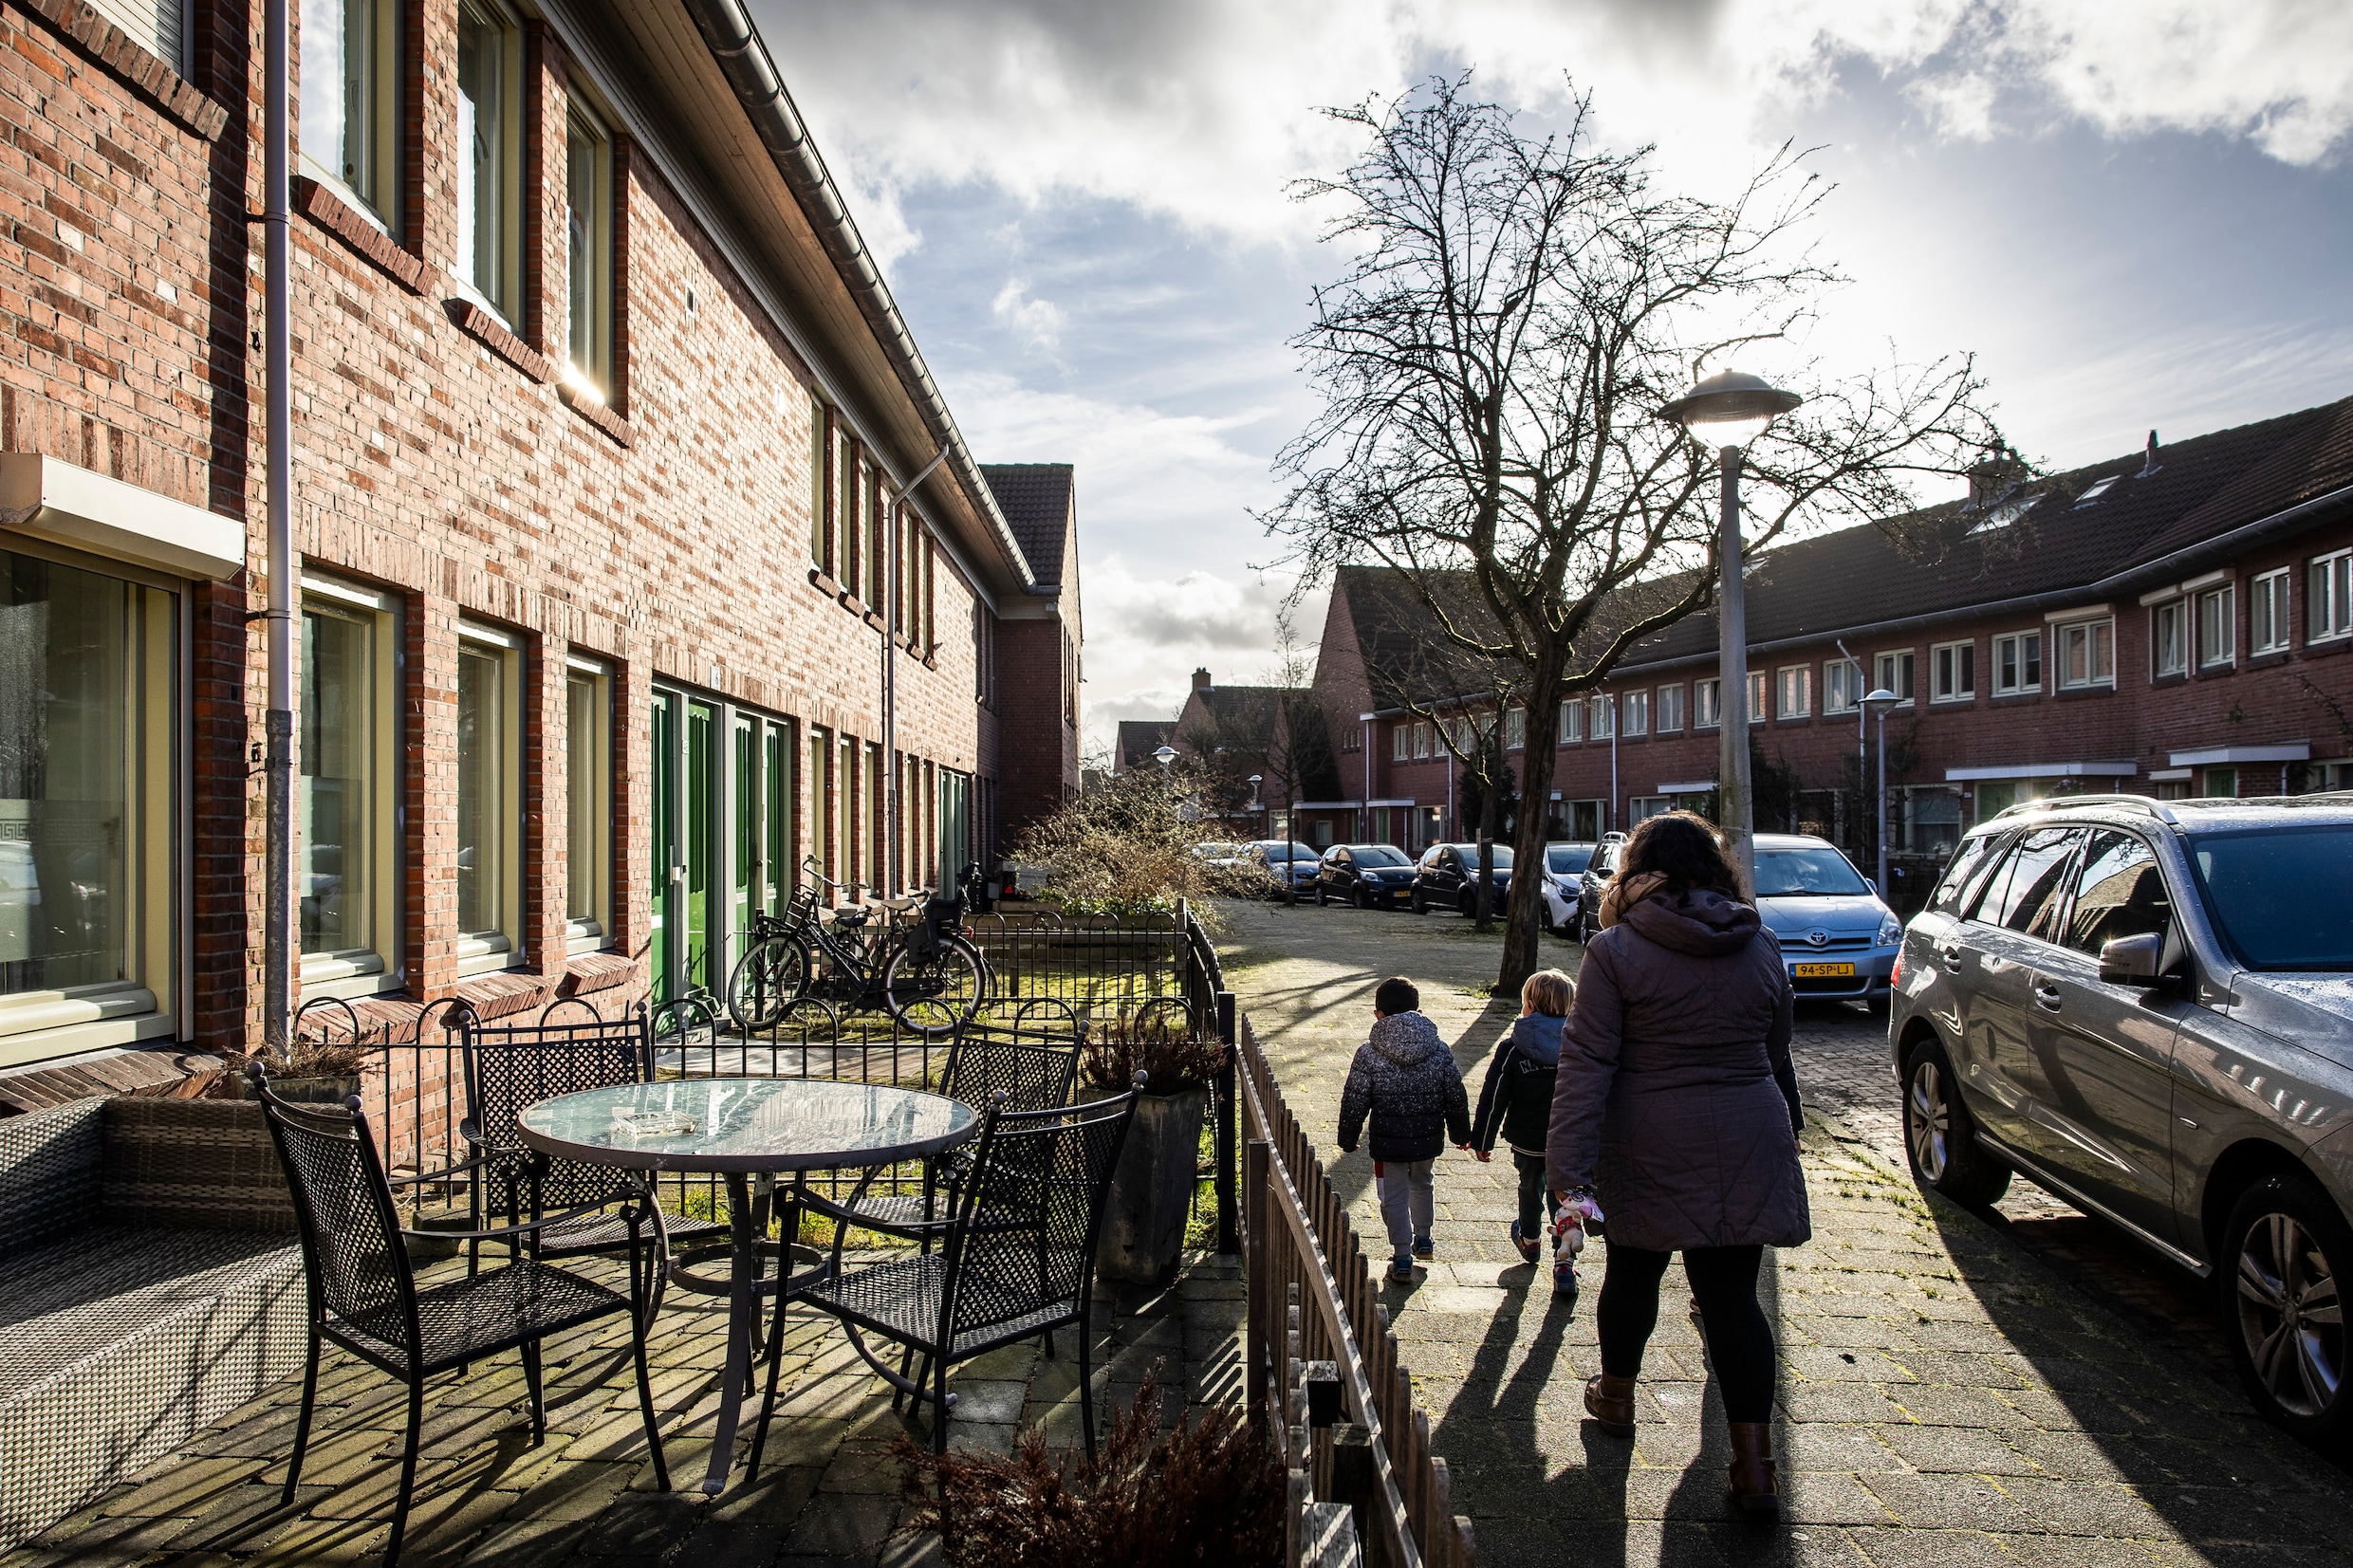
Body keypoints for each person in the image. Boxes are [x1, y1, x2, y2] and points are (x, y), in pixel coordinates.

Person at [1546, 811, 1806, 1522]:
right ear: (1716, 871)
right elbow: (1777, 1046)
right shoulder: (1761, 944)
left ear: (1638, 872)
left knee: (1634, 1273)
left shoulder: (1616, 951)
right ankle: (1755, 1468)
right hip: (1748, 1138)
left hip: (1647, 1140)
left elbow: (1586, 1064)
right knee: (1732, 1300)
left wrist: (1566, 1174)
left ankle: (1617, 1395)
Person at [1338, 976, 1471, 1283]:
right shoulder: (1439, 1049)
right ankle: (1423, 1237)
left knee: (1394, 1196)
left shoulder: (1368, 1053)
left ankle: (1401, 1256)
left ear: (1378, 1015)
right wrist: (1461, 1134)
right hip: (1427, 1135)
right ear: (1418, 1012)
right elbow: (1455, 1093)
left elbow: (1355, 1098)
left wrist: (1347, 1137)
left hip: (1388, 1141)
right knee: (1423, 1182)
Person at [1464, 968, 1577, 1296]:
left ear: (1528, 1005)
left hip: (1528, 1142)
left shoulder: (1513, 1047)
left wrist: (1482, 1139)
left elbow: (1494, 1095)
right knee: (1566, 1197)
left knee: (1530, 1188)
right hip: (1568, 1141)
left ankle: (1529, 1239)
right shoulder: (1580, 1045)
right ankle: (1565, 1262)